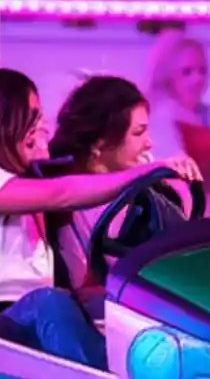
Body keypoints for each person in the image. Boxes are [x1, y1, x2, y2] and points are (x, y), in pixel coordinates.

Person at [0, 67, 201, 370]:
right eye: (32, 117)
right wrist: (145, 172)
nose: (43, 128)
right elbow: (61, 193)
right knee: (50, 303)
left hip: (28, 323)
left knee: (119, 306)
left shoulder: (19, 183)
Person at [46, 75, 157, 315]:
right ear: (101, 142)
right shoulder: (64, 196)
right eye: (138, 133)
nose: (149, 144)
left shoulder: (145, 192)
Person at [146, 30, 210, 216]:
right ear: (170, 76)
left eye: (202, 71)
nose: (197, 79)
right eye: (187, 72)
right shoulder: (158, 121)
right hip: (182, 219)